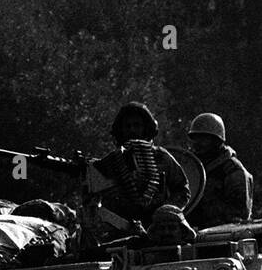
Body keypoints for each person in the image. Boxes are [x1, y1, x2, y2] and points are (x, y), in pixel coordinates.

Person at [79, 103, 190, 243]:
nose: (132, 130)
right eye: (128, 126)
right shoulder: (111, 162)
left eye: (137, 125)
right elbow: (91, 199)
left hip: (160, 231)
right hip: (121, 231)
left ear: (146, 128)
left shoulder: (162, 157)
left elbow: (182, 190)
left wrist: (165, 213)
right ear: (121, 130)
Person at [185, 112, 253, 228]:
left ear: (217, 140)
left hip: (221, 234)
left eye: (203, 139)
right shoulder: (191, 168)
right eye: (196, 139)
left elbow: (239, 215)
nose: (198, 144)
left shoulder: (233, 171)